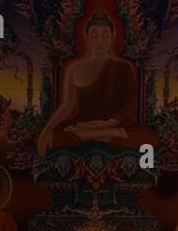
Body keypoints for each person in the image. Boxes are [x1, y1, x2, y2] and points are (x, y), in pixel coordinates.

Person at [36, 11, 139, 156]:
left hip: (113, 123)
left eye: (104, 36)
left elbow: (132, 104)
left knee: (147, 139)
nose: (99, 42)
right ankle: (107, 134)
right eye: (94, 35)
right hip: (84, 123)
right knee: (44, 137)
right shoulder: (75, 68)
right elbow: (66, 105)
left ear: (112, 38)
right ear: (86, 37)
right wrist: (47, 129)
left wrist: (109, 122)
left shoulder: (122, 67)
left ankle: (94, 133)